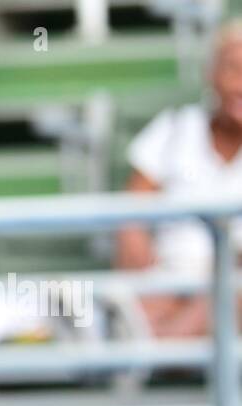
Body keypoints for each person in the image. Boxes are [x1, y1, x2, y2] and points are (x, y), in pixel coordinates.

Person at [116, 21, 242, 339]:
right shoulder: (175, 128)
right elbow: (131, 217)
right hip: (167, 283)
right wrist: (148, 277)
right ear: (211, 73)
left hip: (232, 288)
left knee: (226, 297)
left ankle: (152, 349)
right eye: (233, 68)